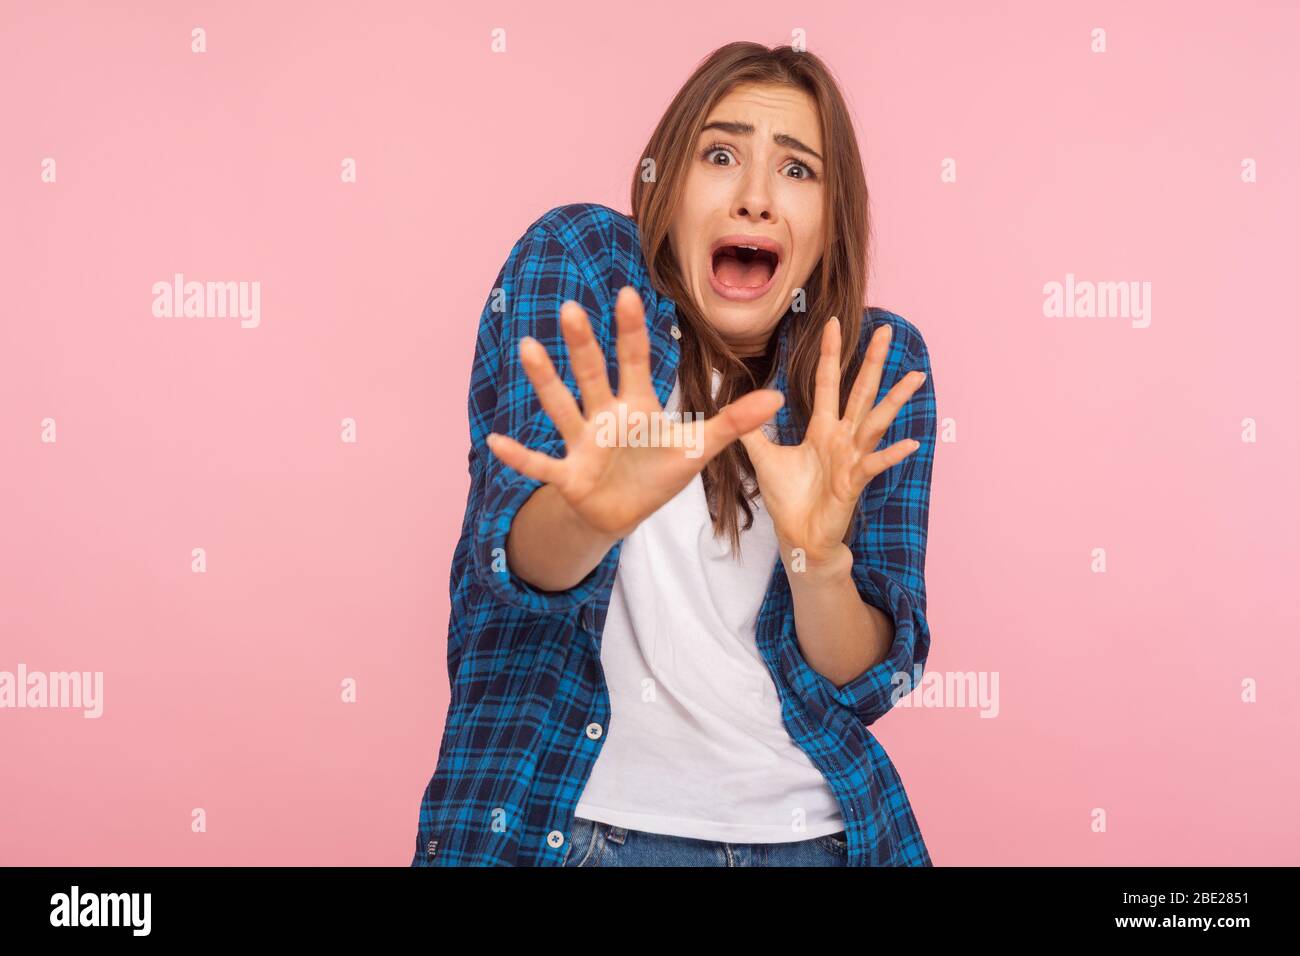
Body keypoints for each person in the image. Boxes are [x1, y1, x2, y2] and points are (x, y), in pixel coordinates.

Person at [412, 41, 937, 867]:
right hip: (576, 831)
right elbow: (512, 561)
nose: (757, 199)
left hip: (821, 840)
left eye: (798, 171)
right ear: (665, 185)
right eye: (721, 155)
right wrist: (589, 514)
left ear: (832, 222)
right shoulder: (582, 262)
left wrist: (816, 558)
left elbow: (866, 679)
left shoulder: (874, 362)